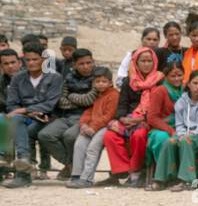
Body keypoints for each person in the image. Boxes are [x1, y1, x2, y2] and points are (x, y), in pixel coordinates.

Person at [2, 43, 63, 188]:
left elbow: (50, 104)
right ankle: (23, 162)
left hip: (48, 119)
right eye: (28, 60)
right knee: (15, 120)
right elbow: (11, 104)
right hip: (26, 118)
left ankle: (23, 173)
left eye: (35, 59)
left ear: (43, 60)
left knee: (22, 125)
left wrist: (24, 110)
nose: (31, 63)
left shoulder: (54, 78)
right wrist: (29, 111)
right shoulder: (18, 78)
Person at [103, 47, 162, 188]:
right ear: (135, 62)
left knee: (139, 135)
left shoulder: (159, 80)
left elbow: (160, 108)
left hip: (149, 119)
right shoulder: (129, 81)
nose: (146, 64)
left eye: (149, 61)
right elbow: (122, 104)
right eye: (143, 61)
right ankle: (122, 170)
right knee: (110, 136)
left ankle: (135, 171)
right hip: (129, 118)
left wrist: (141, 119)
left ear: (154, 62)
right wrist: (122, 118)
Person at [37, 47, 98, 179]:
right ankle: (71, 164)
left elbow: (90, 100)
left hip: (87, 117)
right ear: (74, 65)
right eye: (81, 64)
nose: (86, 66)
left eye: (88, 63)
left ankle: (73, 168)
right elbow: (61, 100)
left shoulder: (98, 77)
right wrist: (78, 100)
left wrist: (71, 96)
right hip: (67, 116)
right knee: (45, 135)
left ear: (93, 62)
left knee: (69, 136)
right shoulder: (69, 77)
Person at [153, 69, 198, 191]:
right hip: (185, 133)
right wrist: (182, 134)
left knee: (186, 141)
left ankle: (187, 181)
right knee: (170, 141)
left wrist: (193, 134)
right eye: (195, 83)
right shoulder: (181, 101)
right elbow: (180, 123)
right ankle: (162, 179)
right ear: (188, 84)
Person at [67, 67, 118, 189]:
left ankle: (87, 179)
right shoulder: (97, 95)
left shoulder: (114, 95)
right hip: (92, 126)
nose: (100, 84)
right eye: (97, 81)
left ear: (110, 82)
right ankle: (76, 175)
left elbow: (108, 116)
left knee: (92, 148)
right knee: (79, 144)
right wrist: (84, 124)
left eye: (104, 81)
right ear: (93, 83)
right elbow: (89, 111)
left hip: (107, 126)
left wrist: (93, 128)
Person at [143, 62, 185, 190]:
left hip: (182, 126)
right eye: (173, 76)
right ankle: (165, 177)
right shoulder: (159, 91)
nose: (177, 79)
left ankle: (182, 177)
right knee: (163, 139)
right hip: (161, 128)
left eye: (180, 75)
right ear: (166, 76)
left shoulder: (186, 89)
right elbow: (152, 117)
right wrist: (170, 130)